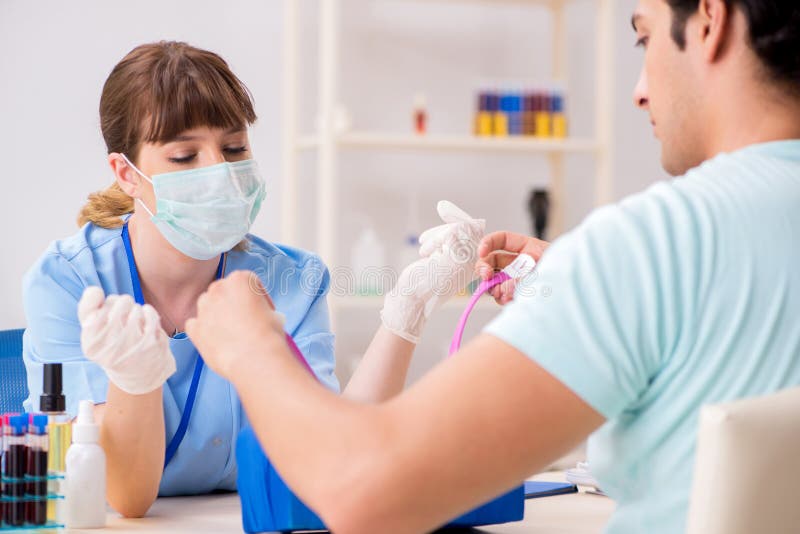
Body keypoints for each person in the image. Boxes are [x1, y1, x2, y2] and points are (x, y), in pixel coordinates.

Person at [182, 1, 800, 532]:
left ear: (710, 22)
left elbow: (365, 492)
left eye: (643, 36)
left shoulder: (652, 242)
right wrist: (581, 280)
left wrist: (252, 347)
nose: (639, 89)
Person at [23, 41, 485, 518]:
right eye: (184, 156)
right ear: (127, 173)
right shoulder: (69, 284)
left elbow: (337, 452)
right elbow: (128, 495)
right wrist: (133, 380)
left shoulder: (293, 279)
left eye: (234, 147)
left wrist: (407, 308)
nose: (220, 172)